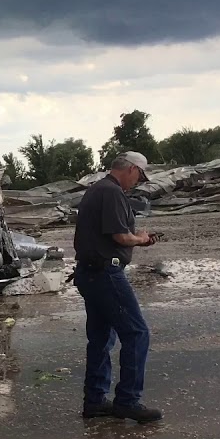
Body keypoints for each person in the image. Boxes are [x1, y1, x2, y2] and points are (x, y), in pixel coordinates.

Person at [73, 151, 162, 423]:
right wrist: (142, 239)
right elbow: (120, 236)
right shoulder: (111, 192)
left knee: (101, 338)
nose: (137, 182)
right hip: (105, 273)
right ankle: (128, 401)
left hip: (89, 272)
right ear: (132, 169)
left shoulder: (96, 190)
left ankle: (96, 400)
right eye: (139, 176)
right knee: (137, 333)